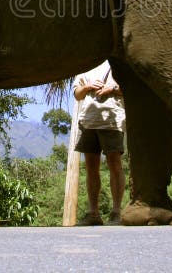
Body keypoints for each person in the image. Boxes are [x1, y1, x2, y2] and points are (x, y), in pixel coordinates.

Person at [72, 61, 126, 226]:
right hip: (88, 121)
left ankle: (116, 212)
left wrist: (113, 89)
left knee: (114, 163)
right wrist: (88, 86)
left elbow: (129, 90)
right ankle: (93, 212)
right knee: (91, 166)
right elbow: (77, 94)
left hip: (112, 120)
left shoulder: (118, 63)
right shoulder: (85, 64)